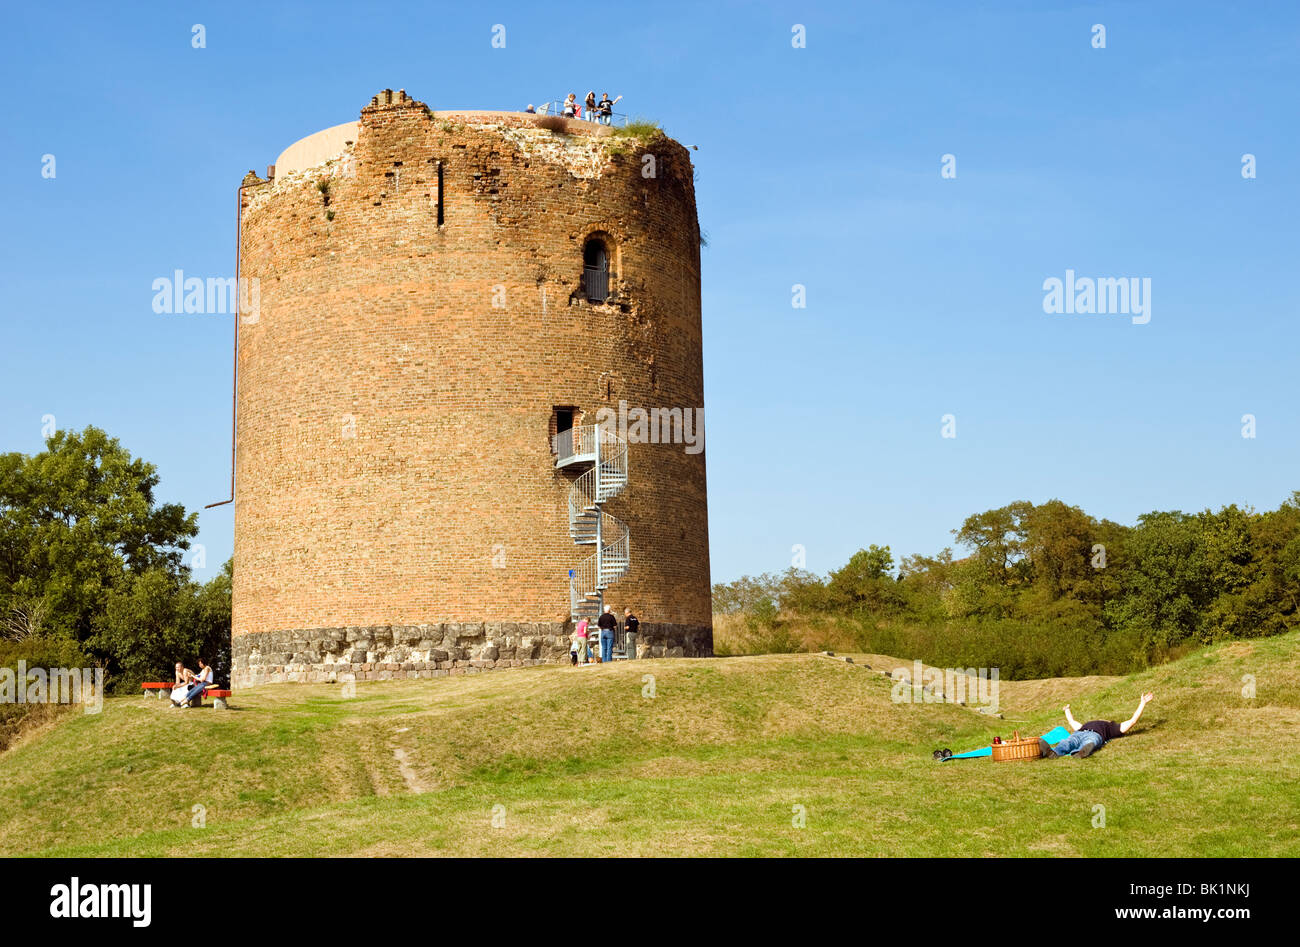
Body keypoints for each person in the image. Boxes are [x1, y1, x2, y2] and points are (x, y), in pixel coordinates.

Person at [1041, 693, 1154, 757]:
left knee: (1091, 742)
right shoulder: (1085, 725)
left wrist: (1142, 703)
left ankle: (1081, 752)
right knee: (1067, 741)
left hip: (1095, 735)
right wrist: (1067, 710)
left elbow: (1132, 721)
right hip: (1080, 732)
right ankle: (1054, 753)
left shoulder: (1112, 727)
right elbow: (1072, 721)